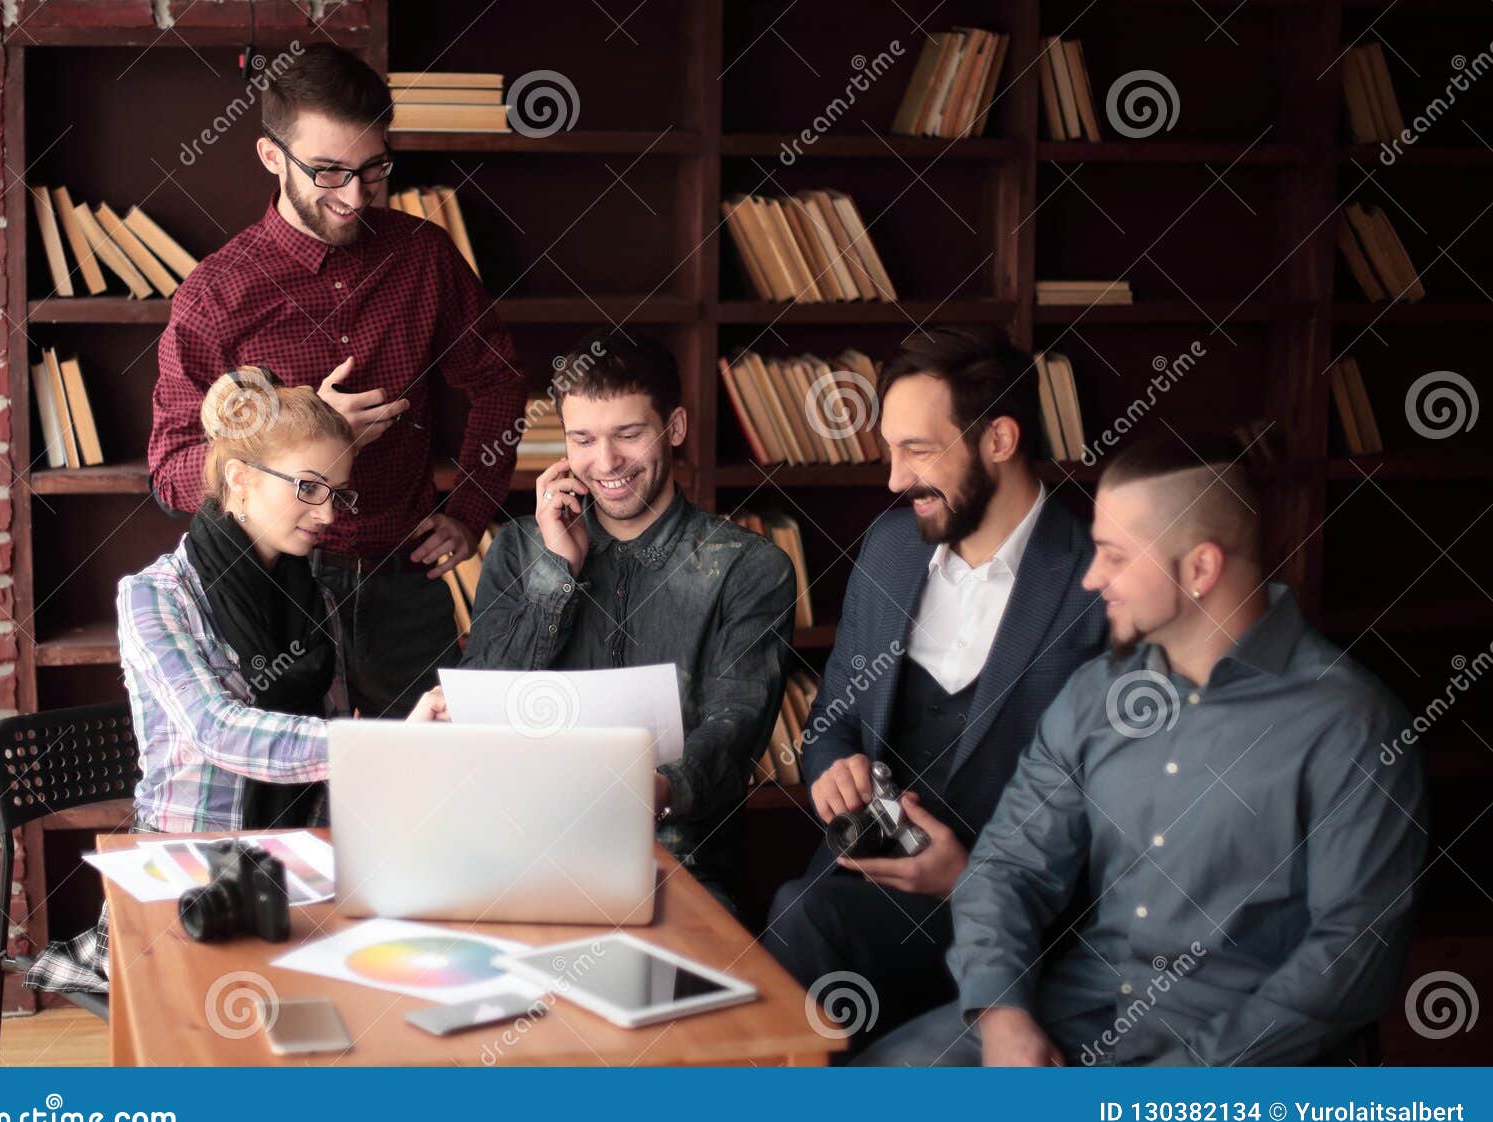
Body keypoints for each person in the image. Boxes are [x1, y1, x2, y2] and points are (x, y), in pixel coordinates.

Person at [861, 435, 1428, 1066]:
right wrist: (1003, 1018)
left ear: (1200, 570)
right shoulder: (1095, 695)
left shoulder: (1349, 723)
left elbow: (1352, 953)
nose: (1091, 578)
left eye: (1114, 555)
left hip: (1242, 1060)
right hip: (1074, 1013)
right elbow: (1008, 868)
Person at [149, 43, 526, 720]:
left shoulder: (424, 255)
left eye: (372, 168)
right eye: (327, 172)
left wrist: (471, 511)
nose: (354, 196)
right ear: (272, 156)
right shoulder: (214, 295)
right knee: (288, 777)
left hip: (405, 581)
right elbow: (171, 467)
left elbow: (499, 382)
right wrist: (297, 440)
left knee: (430, 774)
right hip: (272, 593)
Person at [27, 368, 432, 997]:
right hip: (187, 872)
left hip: (298, 860)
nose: (328, 513)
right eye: (308, 487)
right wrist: (382, 744)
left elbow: (330, 741)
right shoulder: (154, 596)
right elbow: (219, 732)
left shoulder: (316, 597)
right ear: (240, 478)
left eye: (337, 493)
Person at [762, 325, 1107, 1044]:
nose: (894, 480)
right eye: (890, 450)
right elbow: (832, 720)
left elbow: (1113, 821)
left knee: (803, 921)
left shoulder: (1098, 584)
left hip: (1006, 916)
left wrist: (970, 878)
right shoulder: (890, 547)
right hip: (859, 872)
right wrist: (833, 768)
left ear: (999, 439)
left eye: (917, 450)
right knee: (794, 920)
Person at [415, 330, 797, 907]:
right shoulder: (518, 549)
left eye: (628, 434)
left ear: (675, 428)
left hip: (676, 863)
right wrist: (556, 573)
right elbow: (482, 706)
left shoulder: (751, 567)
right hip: (520, 850)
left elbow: (735, 728)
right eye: (583, 440)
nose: (607, 462)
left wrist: (655, 792)